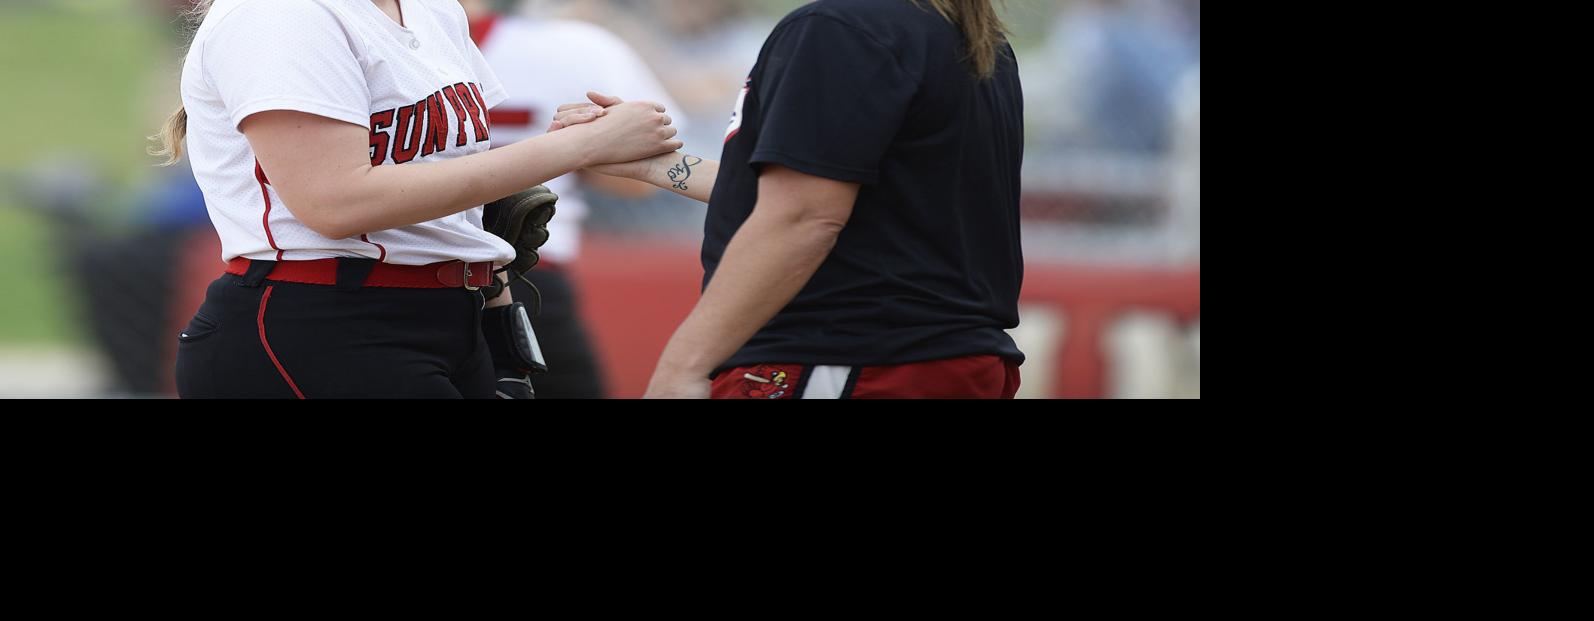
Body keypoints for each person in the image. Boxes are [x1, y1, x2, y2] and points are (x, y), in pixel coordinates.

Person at [161, 0, 680, 399]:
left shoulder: (431, 8)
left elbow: (465, 197)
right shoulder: (282, 15)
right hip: (319, 318)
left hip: (453, 313)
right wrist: (579, 146)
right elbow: (335, 204)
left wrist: (500, 329)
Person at [555, 0, 1026, 399]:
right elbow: (815, 193)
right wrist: (650, 166)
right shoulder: (957, 30)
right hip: (929, 356)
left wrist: (681, 367)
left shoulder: (840, 27)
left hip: (850, 354)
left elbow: (803, 217)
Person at [461, 0, 684, 399]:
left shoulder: (345, 42)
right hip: (526, 271)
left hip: (390, 276)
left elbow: (642, 178)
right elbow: (639, 182)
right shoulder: (571, 46)